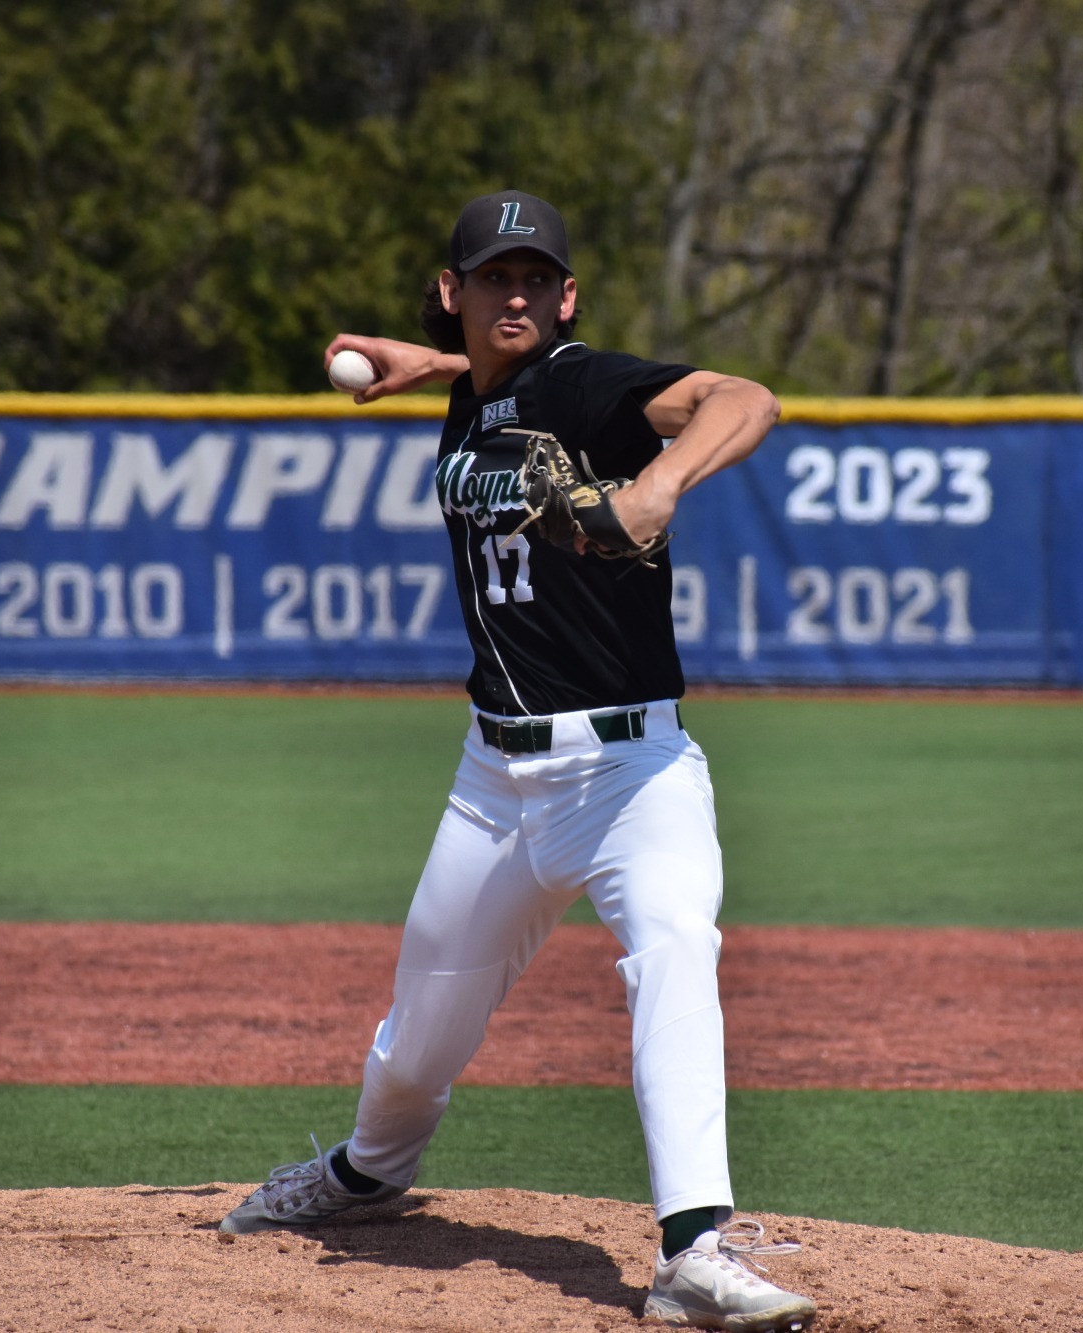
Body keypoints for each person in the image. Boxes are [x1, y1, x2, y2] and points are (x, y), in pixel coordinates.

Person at [220, 189, 816, 1331]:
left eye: (536, 276)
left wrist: (655, 484)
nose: (518, 293)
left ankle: (693, 1248)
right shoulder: (473, 389)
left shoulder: (586, 385)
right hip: (491, 787)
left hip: (633, 776)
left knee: (675, 950)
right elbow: (493, 380)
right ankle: (366, 1174)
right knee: (411, 1045)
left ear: (566, 296)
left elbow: (745, 398)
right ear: (454, 292)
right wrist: (430, 362)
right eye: (494, 275)